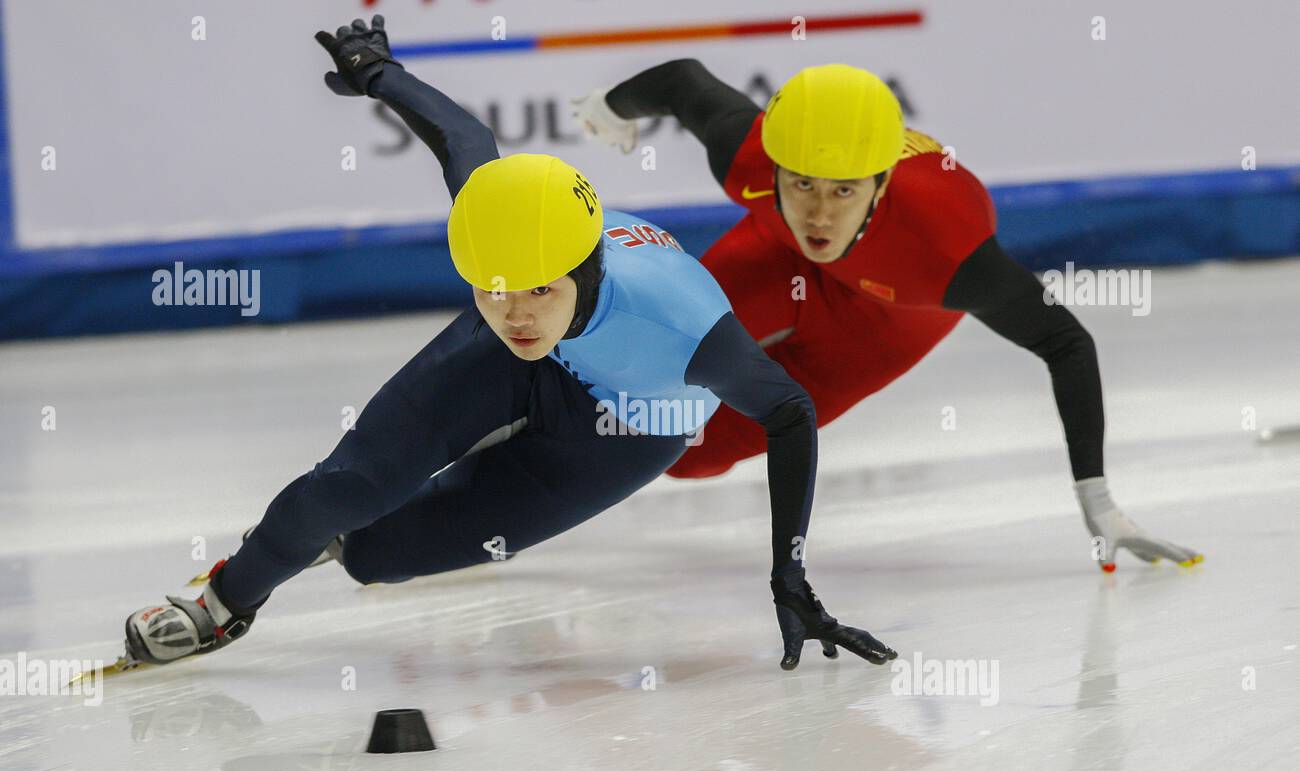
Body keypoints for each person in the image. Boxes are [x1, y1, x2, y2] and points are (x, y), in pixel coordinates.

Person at [119, 17, 897, 675]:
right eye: (492, 288)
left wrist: (788, 574)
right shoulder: (508, 249)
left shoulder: (680, 326)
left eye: (536, 291)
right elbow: (463, 136)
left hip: (626, 427)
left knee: (375, 554)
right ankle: (225, 602)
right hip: (523, 366)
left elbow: (789, 410)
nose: (515, 312)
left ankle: (344, 542)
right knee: (348, 485)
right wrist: (378, 70)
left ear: (585, 270)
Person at [573, 61, 1203, 573]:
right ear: (776, 170)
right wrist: (608, 108)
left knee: (687, 452)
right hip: (777, 253)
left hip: (887, 319)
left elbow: (1066, 342)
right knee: (656, 349)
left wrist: (1097, 495)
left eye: (844, 190)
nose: (820, 214)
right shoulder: (748, 160)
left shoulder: (948, 252)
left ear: (881, 184)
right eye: (803, 185)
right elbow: (683, 81)